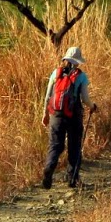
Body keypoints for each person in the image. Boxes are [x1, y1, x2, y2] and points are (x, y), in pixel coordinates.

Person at [41, 46, 95, 189]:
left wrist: (45, 114)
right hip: (73, 115)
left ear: (65, 59)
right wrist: (93, 106)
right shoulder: (81, 76)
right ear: (77, 62)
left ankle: (49, 167)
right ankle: (73, 179)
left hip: (56, 114)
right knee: (74, 146)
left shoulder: (56, 73)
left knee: (55, 144)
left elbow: (48, 97)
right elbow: (85, 98)